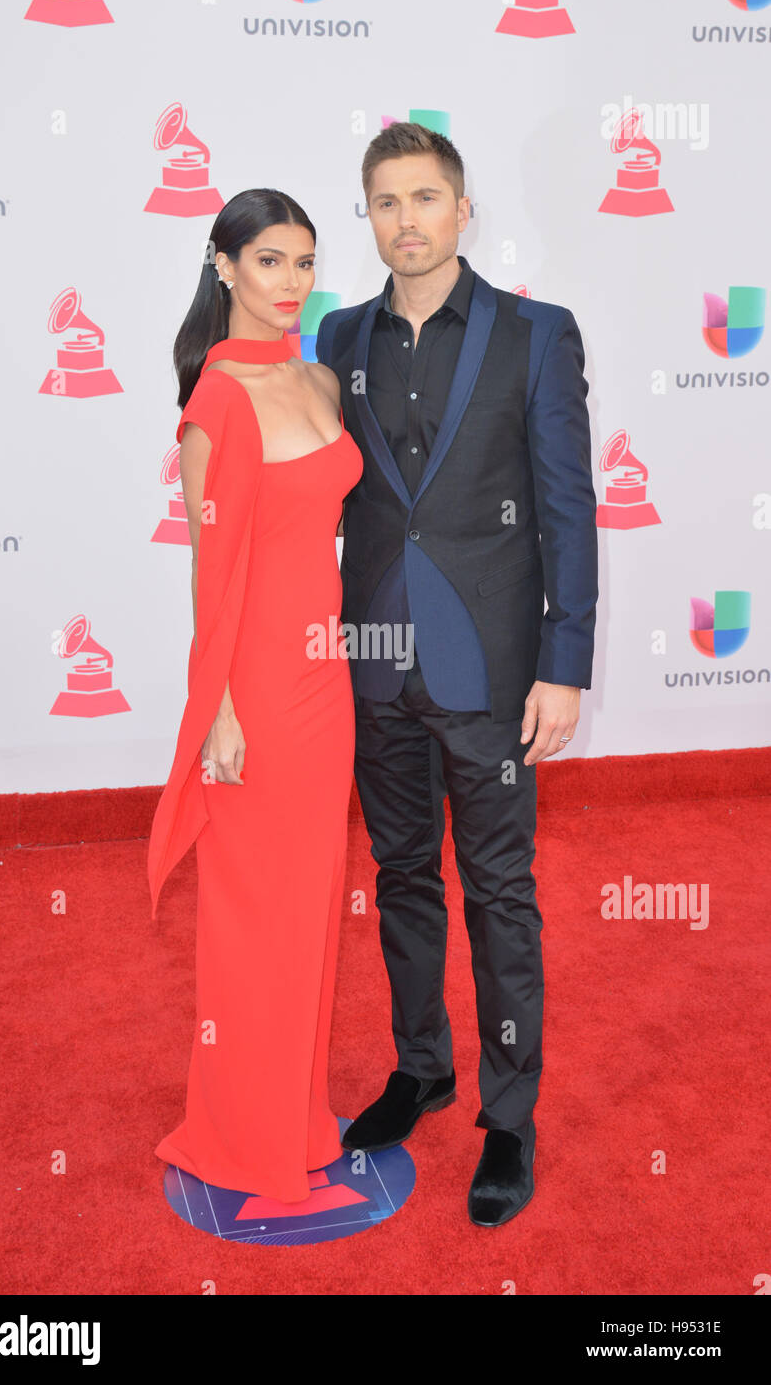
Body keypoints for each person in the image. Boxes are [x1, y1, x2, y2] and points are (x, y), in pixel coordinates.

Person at [316, 123, 598, 1226]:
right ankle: (422, 1064)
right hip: (376, 661)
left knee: (500, 892)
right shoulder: (338, 336)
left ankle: (508, 1112)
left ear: (463, 209)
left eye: (426, 197)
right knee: (399, 876)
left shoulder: (535, 334)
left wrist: (564, 662)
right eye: (386, 201)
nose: (407, 220)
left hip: (493, 668)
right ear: (370, 215)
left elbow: (568, 507)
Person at [148, 189, 363, 1203]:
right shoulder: (215, 405)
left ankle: (298, 1115)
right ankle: (243, 1138)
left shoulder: (316, 375)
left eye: (305, 263)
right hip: (260, 690)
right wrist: (220, 712)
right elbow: (207, 571)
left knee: (315, 907)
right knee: (254, 915)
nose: (290, 283)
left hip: (328, 678)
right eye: (269, 262)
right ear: (225, 266)